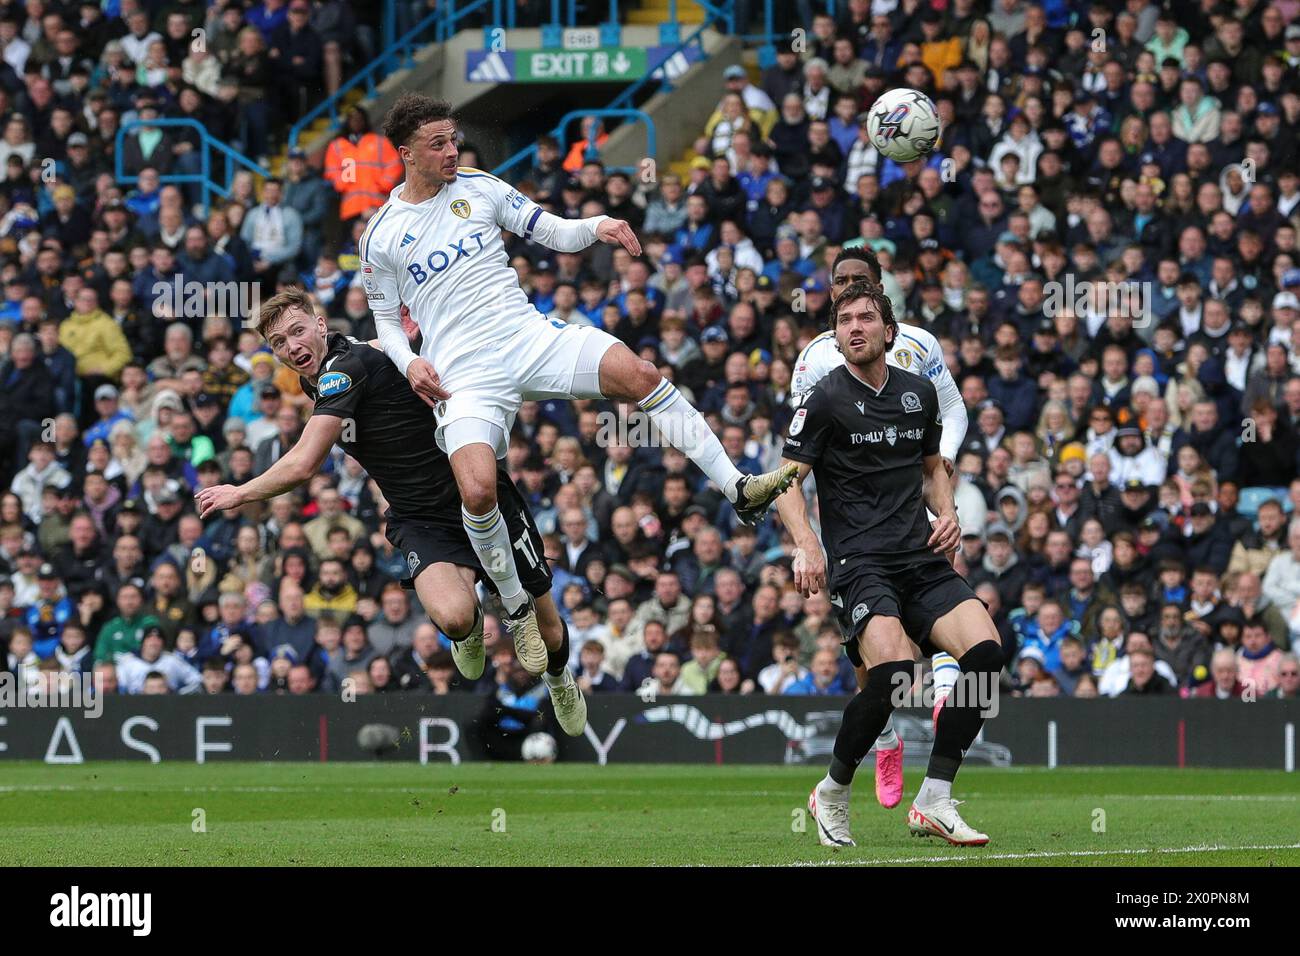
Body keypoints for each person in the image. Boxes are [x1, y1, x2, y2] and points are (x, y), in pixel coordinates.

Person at [360, 95, 798, 660]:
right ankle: (516, 607)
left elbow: (552, 231)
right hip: (463, 372)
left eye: (453, 138)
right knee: (475, 490)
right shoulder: (382, 234)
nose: (451, 150)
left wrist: (599, 225)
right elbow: (386, 324)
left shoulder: (481, 187)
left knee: (640, 373)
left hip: (530, 338)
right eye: (437, 143)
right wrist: (410, 360)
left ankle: (736, 487)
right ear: (406, 154)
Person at [195, 291, 586, 736]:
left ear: (320, 326)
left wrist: (240, 492)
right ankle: (472, 630)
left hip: (477, 493)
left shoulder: (343, 371)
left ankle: (558, 681)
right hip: (419, 518)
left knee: (547, 627)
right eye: (279, 343)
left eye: (297, 331)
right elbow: (379, 353)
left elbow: (304, 463)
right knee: (454, 618)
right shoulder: (327, 372)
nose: (291, 347)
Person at [777, 282, 1002, 848]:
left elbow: (933, 468)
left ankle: (935, 798)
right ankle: (831, 789)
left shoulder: (918, 392)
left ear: (889, 331)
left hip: (918, 556)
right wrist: (807, 543)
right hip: (860, 563)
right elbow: (785, 485)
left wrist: (947, 513)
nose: (854, 327)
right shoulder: (824, 399)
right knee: (897, 674)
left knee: (986, 655)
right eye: (844, 320)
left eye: (865, 318)